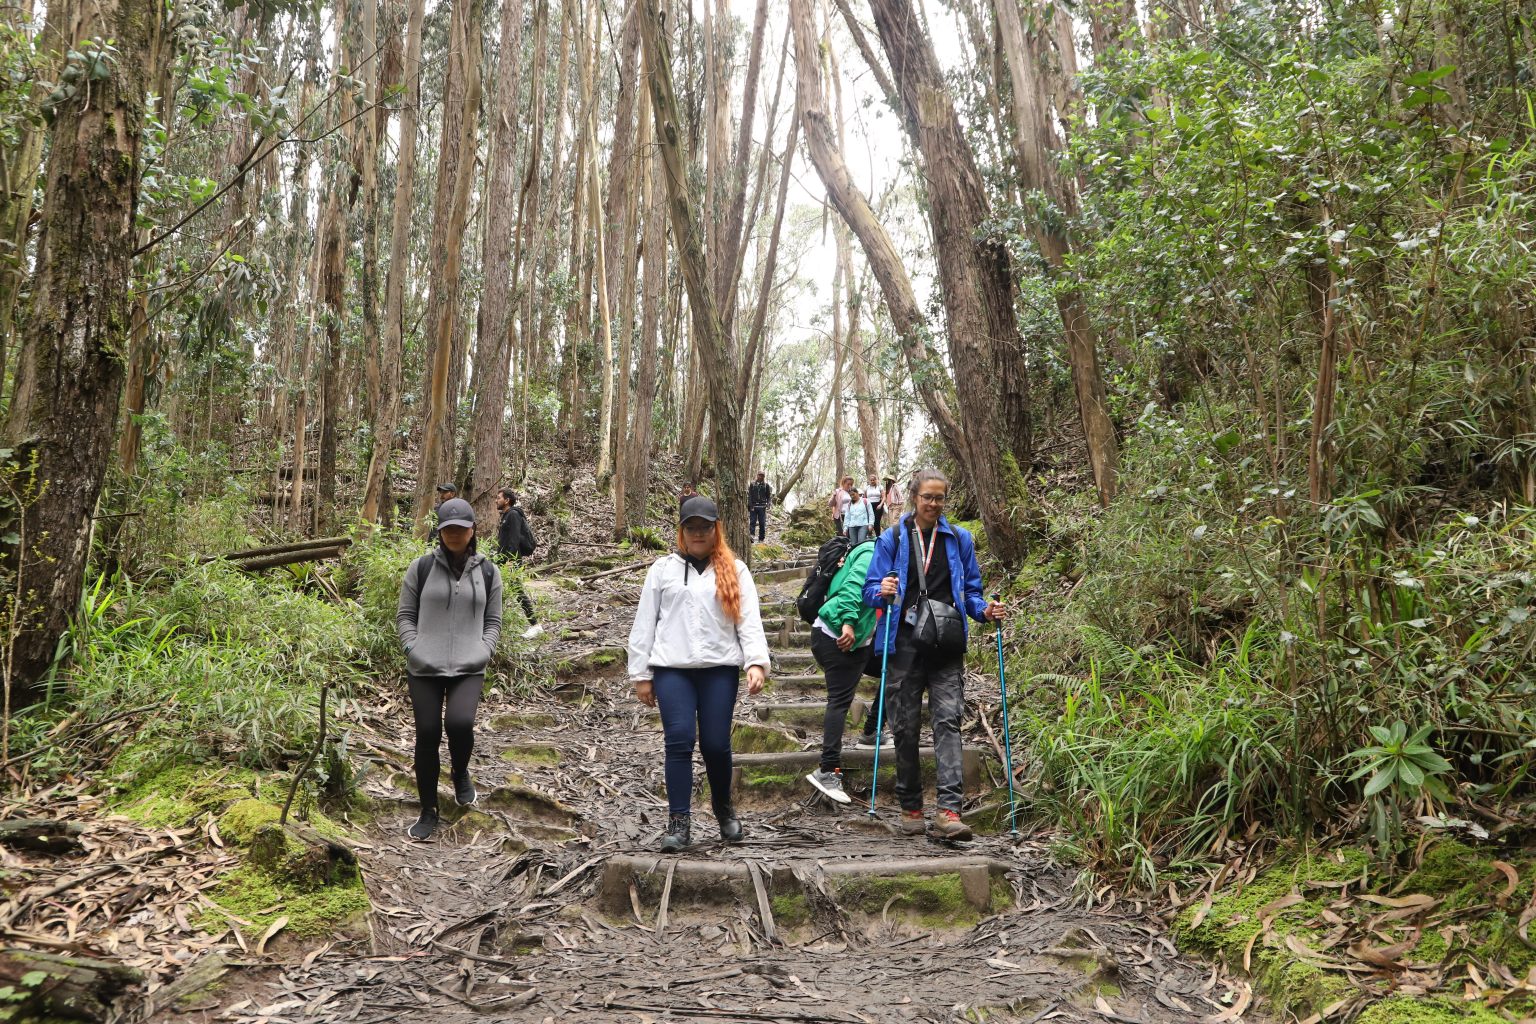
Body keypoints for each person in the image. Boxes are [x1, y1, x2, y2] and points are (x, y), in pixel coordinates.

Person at [864, 469, 1007, 841]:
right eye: (927, 496)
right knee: (906, 728)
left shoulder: (959, 539)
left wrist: (985, 610)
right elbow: (869, 592)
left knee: (947, 722)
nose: (933, 504)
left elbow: (972, 592)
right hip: (903, 646)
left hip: (946, 645)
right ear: (914, 496)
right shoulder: (893, 538)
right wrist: (882, 589)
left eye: (940, 497)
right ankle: (911, 805)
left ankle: (948, 811)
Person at [628, 496, 770, 852]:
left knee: (715, 744)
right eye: (691, 527)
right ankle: (679, 822)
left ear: (715, 529)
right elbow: (645, 623)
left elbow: (748, 620)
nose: (698, 533)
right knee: (678, 739)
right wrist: (641, 673)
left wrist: (755, 661)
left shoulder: (735, 570)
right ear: (682, 531)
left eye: (705, 527)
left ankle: (723, 809)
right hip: (672, 669)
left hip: (719, 669)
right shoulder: (663, 570)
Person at [397, 497, 503, 841]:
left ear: (473, 530)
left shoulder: (488, 571)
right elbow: (405, 616)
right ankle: (428, 810)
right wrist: (413, 646)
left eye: (460, 528)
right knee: (427, 733)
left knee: (459, 724)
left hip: (469, 666)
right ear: (439, 532)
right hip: (424, 666)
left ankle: (459, 772)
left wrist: (484, 649)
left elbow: (494, 620)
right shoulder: (421, 567)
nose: (454, 534)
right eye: (448, 529)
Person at [804, 533, 878, 804]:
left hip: (859, 640)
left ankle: (872, 732)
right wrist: (848, 622)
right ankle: (827, 770)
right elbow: (852, 587)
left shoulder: (885, 556)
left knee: (898, 669)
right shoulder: (872, 552)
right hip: (838, 634)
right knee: (840, 701)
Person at [494, 488, 544, 639]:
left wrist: (510, 560)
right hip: (504, 560)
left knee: (517, 591)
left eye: (498, 498)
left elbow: (514, 539)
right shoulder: (507, 516)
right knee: (499, 591)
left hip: (510, 561)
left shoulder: (514, 515)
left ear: (507, 500)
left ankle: (535, 625)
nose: (496, 500)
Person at [748, 472, 772, 544]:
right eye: (759, 475)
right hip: (754, 507)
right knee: (752, 522)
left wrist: (768, 504)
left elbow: (769, 497)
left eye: (762, 476)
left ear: (764, 477)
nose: (761, 477)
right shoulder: (752, 485)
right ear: (757, 475)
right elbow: (750, 496)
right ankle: (751, 536)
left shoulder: (766, 486)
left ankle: (761, 538)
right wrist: (750, 505)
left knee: (762, 523)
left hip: (762, 507)